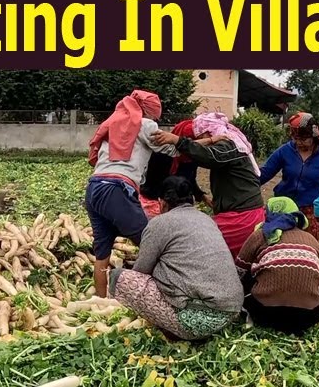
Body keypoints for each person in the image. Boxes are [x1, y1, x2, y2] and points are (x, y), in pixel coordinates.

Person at [108, 176, 244, 342]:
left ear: (162, 203)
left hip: (198, 321)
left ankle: (177, 331)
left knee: (121, 278)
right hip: (231, 311)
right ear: (191, 199)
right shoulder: (206, 219)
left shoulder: (159, 223)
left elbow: (141, 271)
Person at [85, 89, 175, 298]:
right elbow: (172, 149)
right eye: (155, 116)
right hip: (115, 189)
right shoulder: (144, 124)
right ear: (149, 112)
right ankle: (160, 295)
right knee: (150, 242)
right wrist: (198, 144)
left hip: (94, 188)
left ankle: (100, 301)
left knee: (102, 255)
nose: (155, 121)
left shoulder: (113, 122)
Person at [151, 112, 265, 264]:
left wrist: (177, 141)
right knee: (226, 258)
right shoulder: (233, 144)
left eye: (200, 136)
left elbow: (210, 156)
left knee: (205, 248)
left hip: (241, 217)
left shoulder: (228, 145)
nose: (201, 141)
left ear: (209, 132)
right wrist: (204, 197)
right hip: (240, 213)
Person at [236, 196, 319, 335]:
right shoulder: (312, 240)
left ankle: (250, 318)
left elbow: (239, 271)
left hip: (267, 314)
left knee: (250, 274)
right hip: (308, 316)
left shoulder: (261, 235)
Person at [257, 112, 319, 241]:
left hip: (309, 211)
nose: (299, 142)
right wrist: (247, 185)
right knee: (278, 244)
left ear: (314, 136)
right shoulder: (285, 151)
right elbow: (264, 173)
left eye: (303, 139)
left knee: (307, 245)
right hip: (283, 208)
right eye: (296, 138)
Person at [138, 119, 208, 218]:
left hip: (178, 206)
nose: (190, 147)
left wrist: (202, 196)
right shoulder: (163, 153)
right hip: (156, 204)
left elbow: (190, 180)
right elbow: (153, 185)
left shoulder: (190, 158)